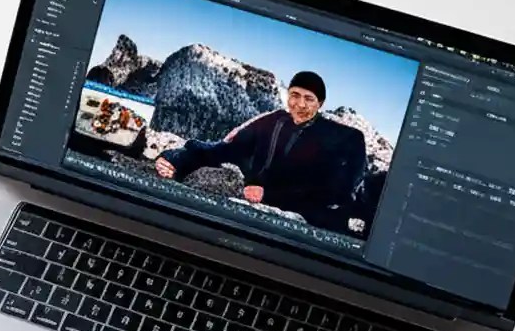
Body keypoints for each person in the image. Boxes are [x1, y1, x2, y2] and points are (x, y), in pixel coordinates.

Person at [154, 71, 367, 228]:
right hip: (254, 208)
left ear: (320, 103)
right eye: (295, 95)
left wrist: (269, 194)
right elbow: (224, 149)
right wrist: (176, 159)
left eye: (309, 99)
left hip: (306, 224)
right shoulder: (274, 122)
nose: (300, 104)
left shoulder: (343, 138)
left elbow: (335, 191)